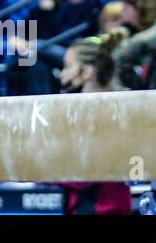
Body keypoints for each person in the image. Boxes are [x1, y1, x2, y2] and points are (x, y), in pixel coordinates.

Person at [57, 32, 133, 214]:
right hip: (84, 204)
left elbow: (87, 175)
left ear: (88, 71)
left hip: (106, 207)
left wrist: (44, 172)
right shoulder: (76, 108)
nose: (62, 74)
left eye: (68, 67)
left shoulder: (109, 110)